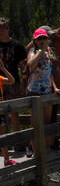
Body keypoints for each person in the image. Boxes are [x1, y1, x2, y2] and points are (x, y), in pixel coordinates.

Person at [26, 28, 60, 154]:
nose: (42, 41)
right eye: (39, 39)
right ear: (35, 41)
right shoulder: (33, 51)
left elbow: (50, 71)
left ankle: (46, 149)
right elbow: (30, 65)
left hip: (47, 91)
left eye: (44, 38)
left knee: (47, 122)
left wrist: (55, 87)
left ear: (48, 40)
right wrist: (40, 51)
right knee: (35, 123)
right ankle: (34, 149)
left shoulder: (50, 52)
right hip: (34, 92)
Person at [0, 18, 26, 166]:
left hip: (13, 81)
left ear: (8, 28)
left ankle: (18, 144)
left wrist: (24, 83)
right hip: (0, 83)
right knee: (2, 117)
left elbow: (23, 66)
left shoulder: (17, 45)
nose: (1, 31)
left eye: (3, 28)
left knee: (15, 113)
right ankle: (5, 147)